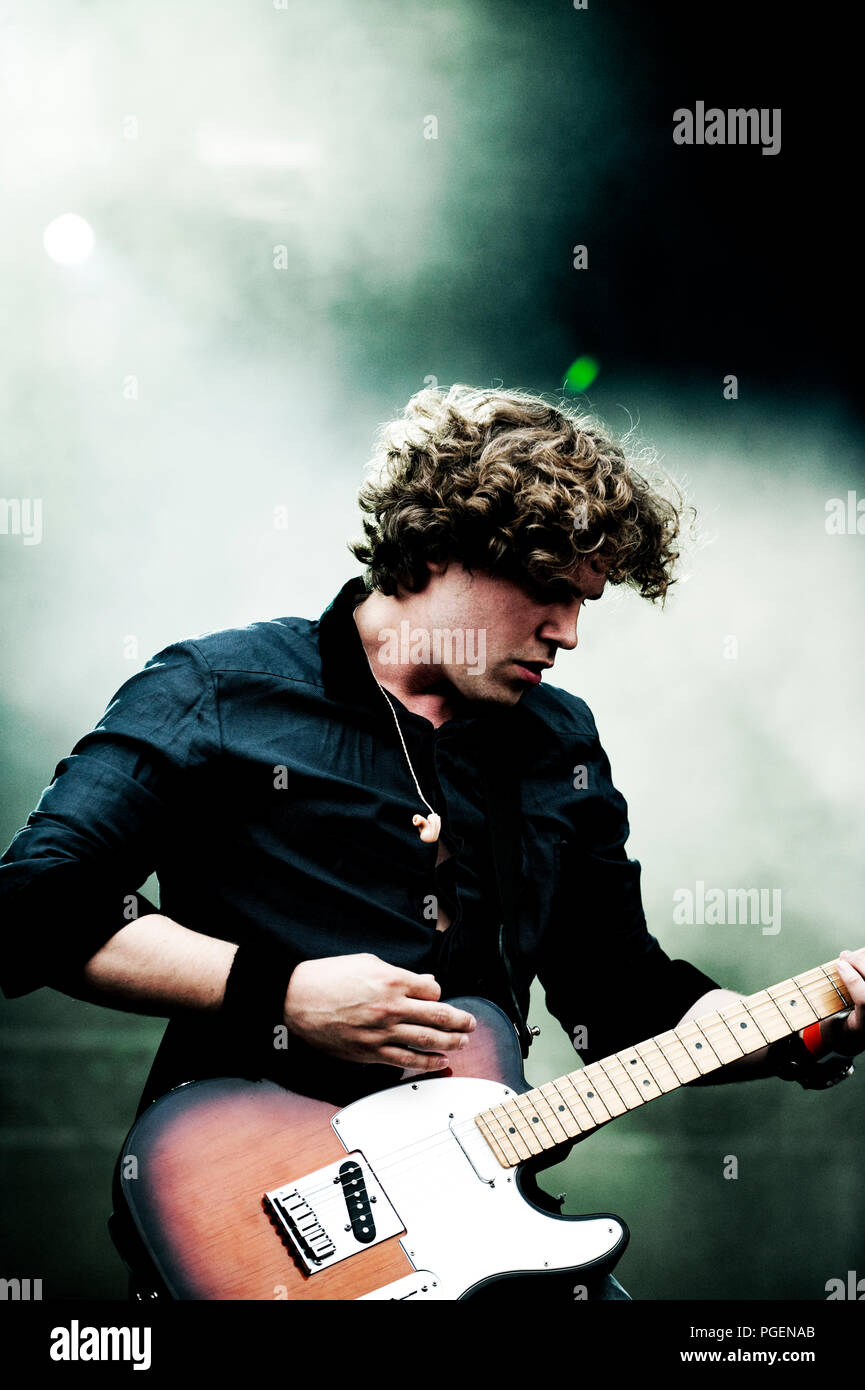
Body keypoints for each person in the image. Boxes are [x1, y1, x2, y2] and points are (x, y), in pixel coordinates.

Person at [1, 384, 862, 1302]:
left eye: (584, 601)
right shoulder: (217, 690)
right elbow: (32, 906)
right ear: (442, 546)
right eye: (547, 590)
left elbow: (617, 997)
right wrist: (282, 993)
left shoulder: (556, 744)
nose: (568, 633)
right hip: (253, 1224)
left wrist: (792, 1030)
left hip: (478, 1235)